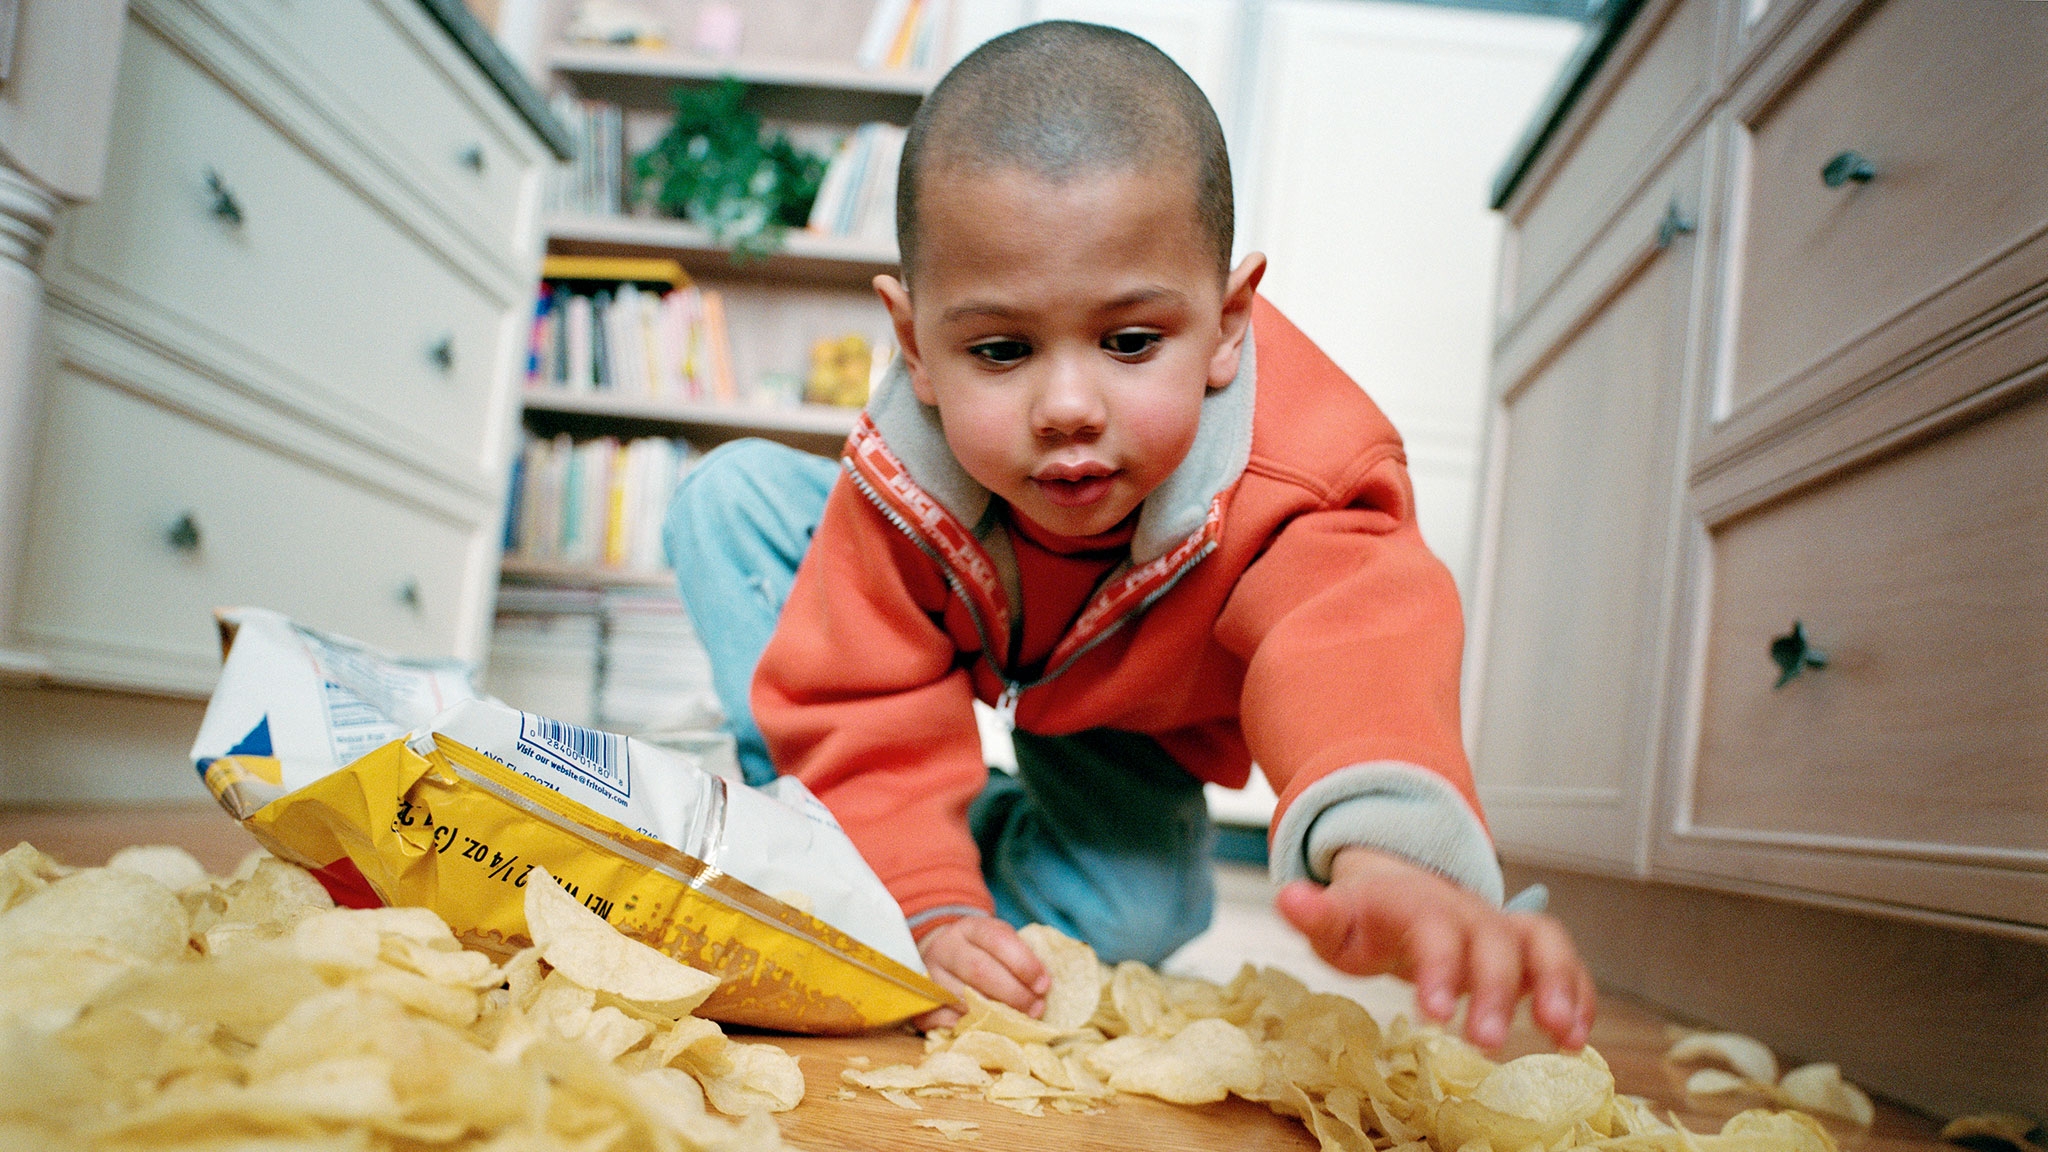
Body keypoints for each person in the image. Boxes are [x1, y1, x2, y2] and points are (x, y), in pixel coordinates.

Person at [665, 20, 1595, 1052]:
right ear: (914, 345)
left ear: (1229, 323)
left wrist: (1386, 849)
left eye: (1129, 343)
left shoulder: (1300, 477)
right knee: (729, 495)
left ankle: (948, 841)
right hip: (945, 636)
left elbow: (1353, 646)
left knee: (1130, 923)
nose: (1068, 406)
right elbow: (859, 683)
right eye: (1001, 349)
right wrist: (921, 900)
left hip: (1131, 711)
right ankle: (829, 838)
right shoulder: (900, 474)